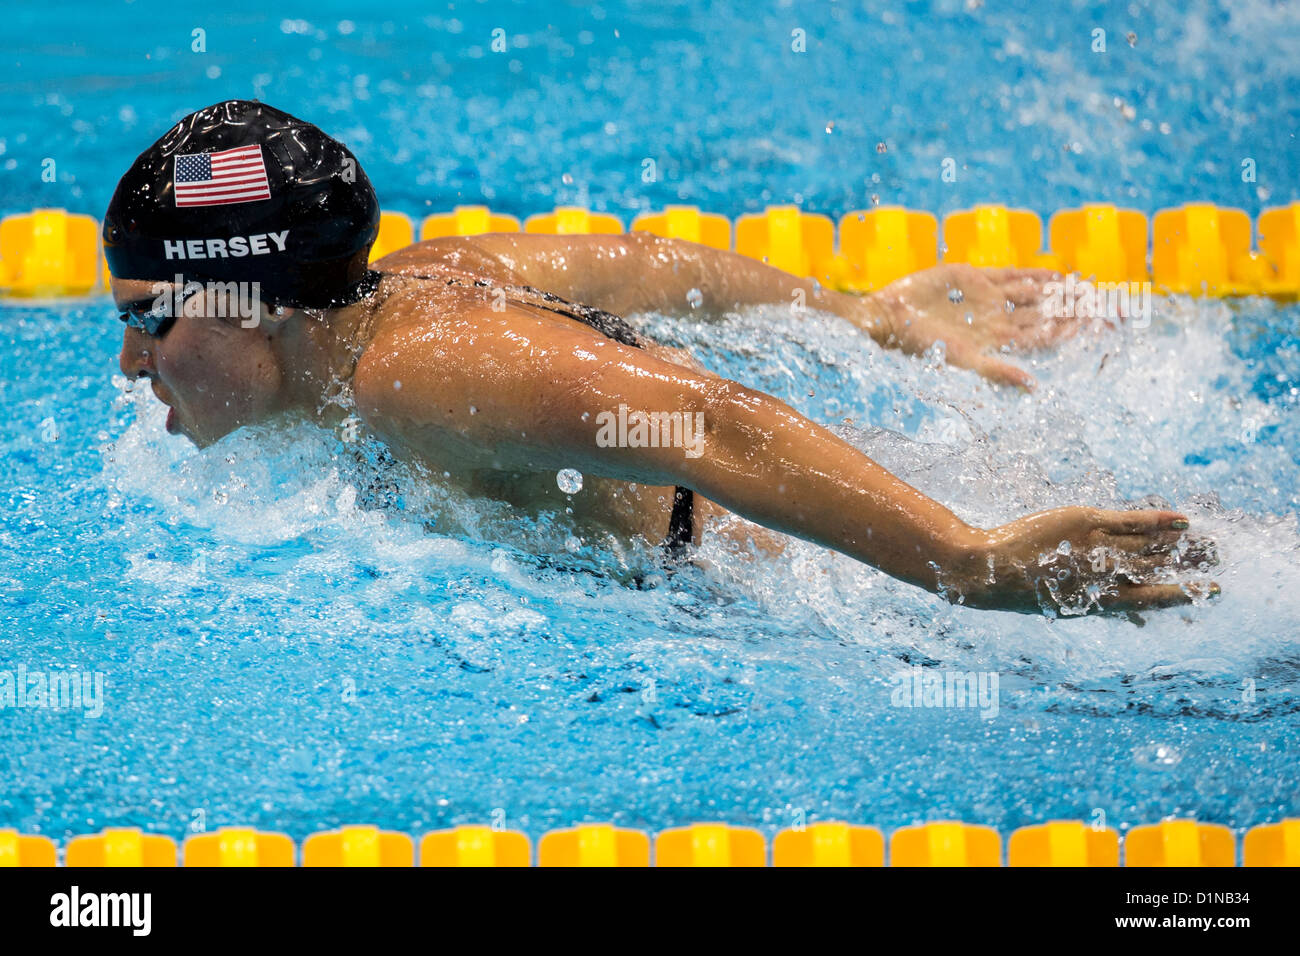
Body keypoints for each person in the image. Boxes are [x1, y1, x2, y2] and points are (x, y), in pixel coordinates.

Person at [104, 100, 1217, 615]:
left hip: (839, 585)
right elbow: (645, 267)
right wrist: (861, 312)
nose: (129, 364)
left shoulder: (416, 375)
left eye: (152, 319)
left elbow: (708, 420)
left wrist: (969, 563)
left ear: (260, 302)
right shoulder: (424, 282)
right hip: (865, 513)